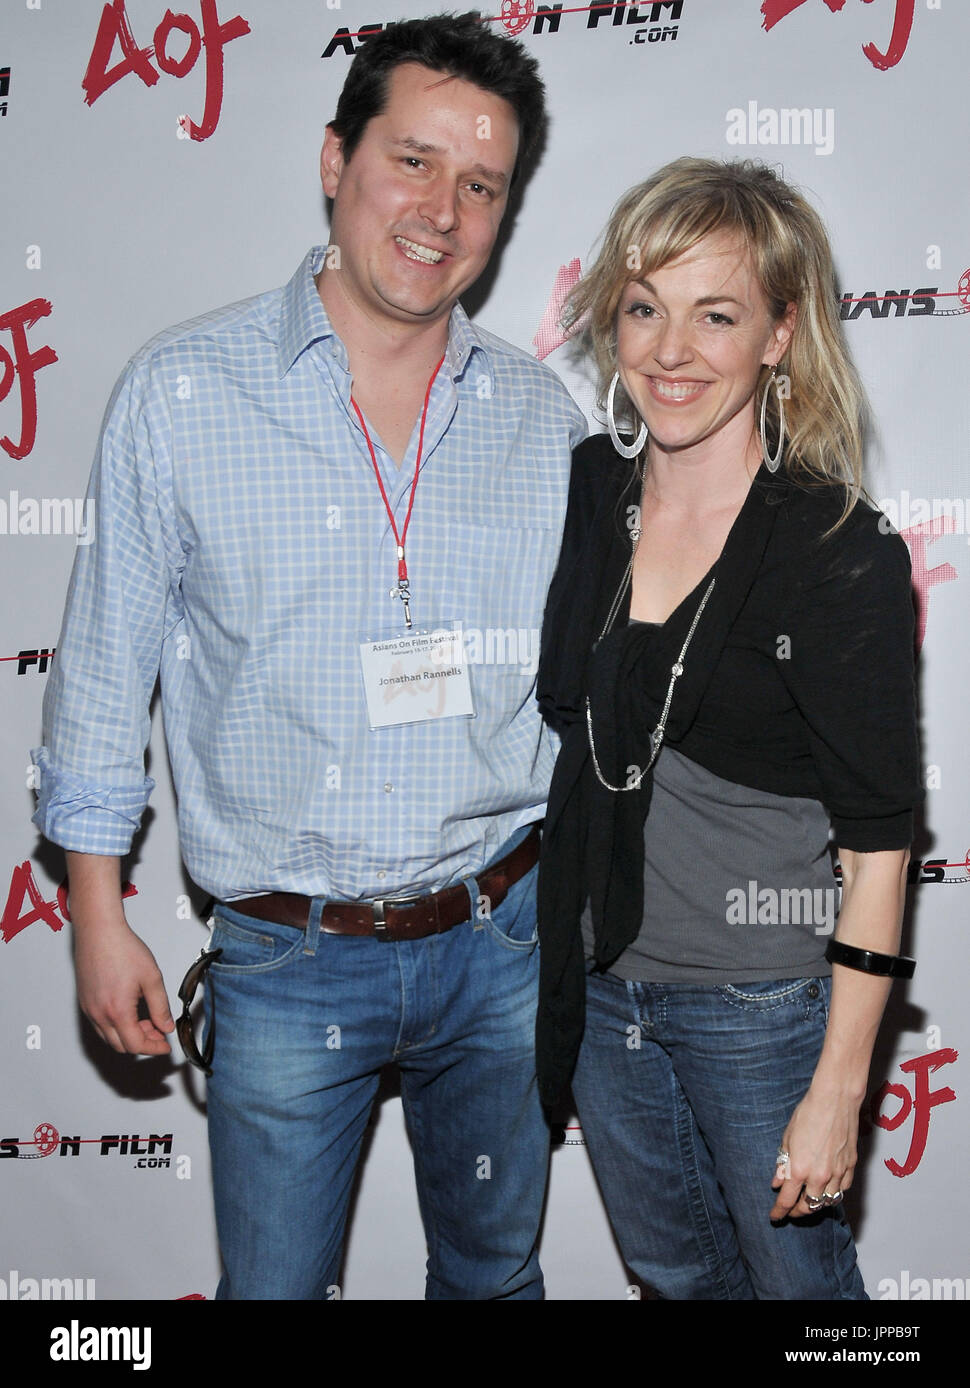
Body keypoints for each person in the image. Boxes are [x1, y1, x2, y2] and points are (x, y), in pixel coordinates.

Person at [31, 13, 585, 1300]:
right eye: (412, 160)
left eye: (481, 183)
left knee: (496, 1279)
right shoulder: (181, 394)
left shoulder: (542, 421)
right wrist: (98, 922)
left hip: (503, 935)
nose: (441, 210)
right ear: (335, 160)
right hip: (288, 957)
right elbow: (107, 674)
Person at [536, 157, 921, 1300]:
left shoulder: (835, 549)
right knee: (673, 1277)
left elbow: (880, 844)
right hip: (603, 993)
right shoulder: (585, 499)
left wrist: (840, 1085)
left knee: (805, 1299)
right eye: (646, 307)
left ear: (779, 335)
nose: (669, 350)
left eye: (717, 315)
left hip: (760, 1003)